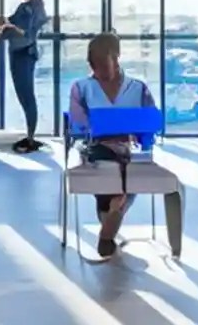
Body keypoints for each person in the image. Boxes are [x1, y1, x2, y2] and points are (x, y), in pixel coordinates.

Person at [68, 33, 183, 258]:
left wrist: (136, 134)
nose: (98, 71)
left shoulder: (138, 88)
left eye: (103, 64)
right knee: (108, 166)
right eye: (94, 65)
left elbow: (151, 124)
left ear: (117, 57)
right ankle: (113, 214)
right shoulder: (81, 88)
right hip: (96, 150)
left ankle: (111, 216)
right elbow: (78, 124)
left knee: (124, 169)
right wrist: (100, 129)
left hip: (128, 151)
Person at [3, 0, 47, 153]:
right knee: (24, 95)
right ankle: (30, 134)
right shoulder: (27, 7)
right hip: (19, 53)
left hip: (24, 54)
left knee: (27, 95)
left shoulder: (32, 8)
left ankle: (31, 137)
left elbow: (28, 33)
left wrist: (11, 27)